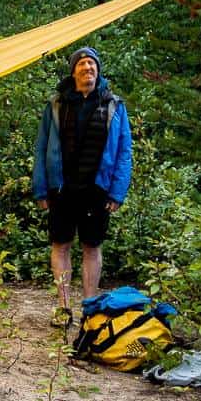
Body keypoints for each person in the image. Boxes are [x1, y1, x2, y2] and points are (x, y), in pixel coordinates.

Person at [32, 46, 133, 325]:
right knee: (60, 244)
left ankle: (90, 309)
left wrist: (117, 191)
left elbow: (125, 151)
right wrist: (41, 188)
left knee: (92, 246)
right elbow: (41, 147)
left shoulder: (114, 105)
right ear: (73, 70)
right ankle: (63, 309)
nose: (88, 68)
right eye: (83, 64)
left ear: (98, 70)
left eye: (92, 64)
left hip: (97, 189)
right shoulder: (56, 104)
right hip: (62, 188)